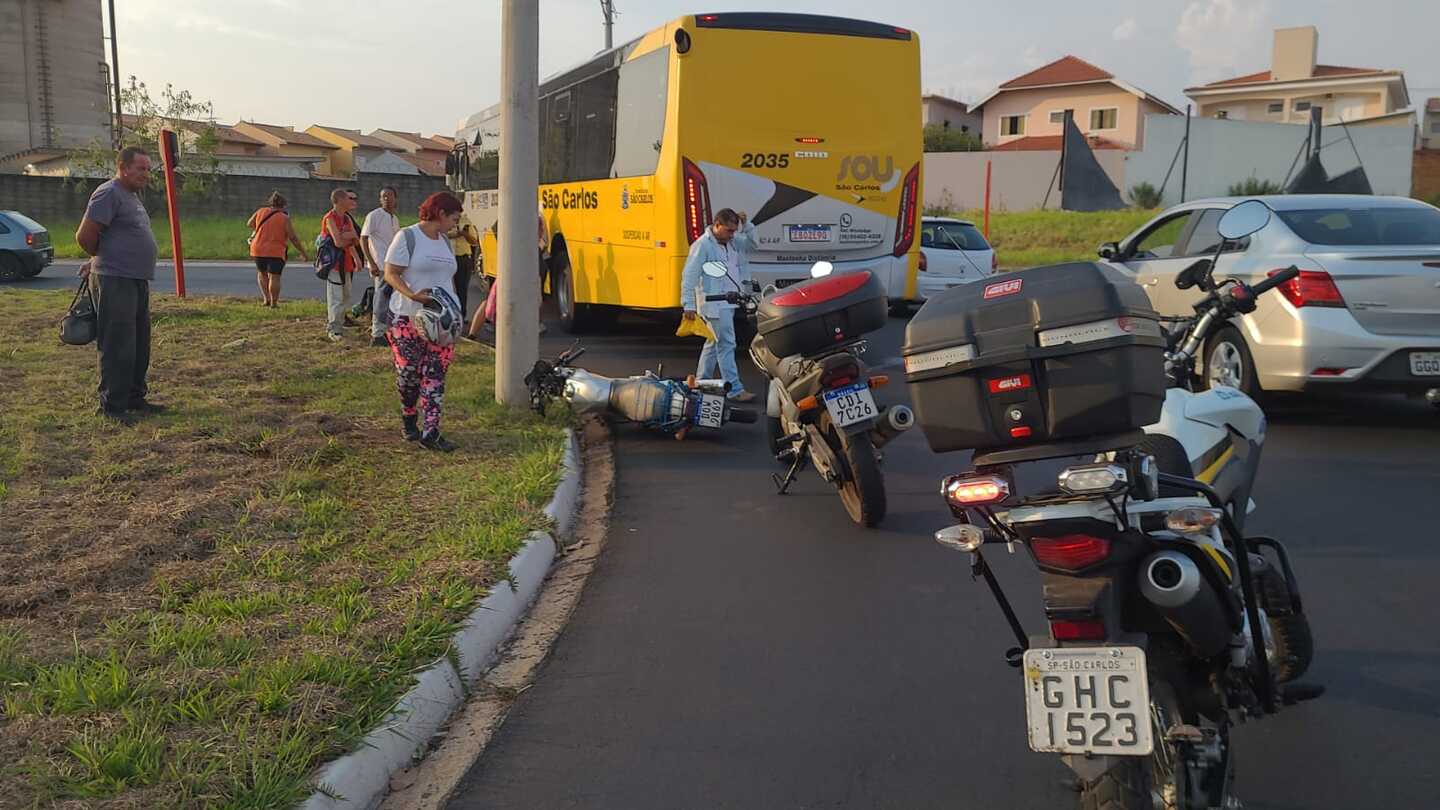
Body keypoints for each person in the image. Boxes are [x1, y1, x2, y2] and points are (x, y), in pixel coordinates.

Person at [75, 146, 163, 422]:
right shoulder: (108, 192)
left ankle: (135, 399)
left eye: (148, 169)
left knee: (138, 343)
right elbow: (85, 235)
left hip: (136, 279)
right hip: (115, 279)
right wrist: (99, 261)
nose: (146, 174)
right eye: (140, 168)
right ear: (123, 167)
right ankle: (112, 406)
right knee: (117, 344)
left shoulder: (131, 196)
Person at [384, 191, 464, 452]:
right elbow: (391, 273)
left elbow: (448, 280)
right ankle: (409, 416)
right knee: (409, 375)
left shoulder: (445, 242)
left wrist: (455, 310)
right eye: (454, 217)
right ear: (440, 214)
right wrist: (413, 295)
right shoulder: (408, 237)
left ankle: (431, 431)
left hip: (442, 323)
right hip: (407, 319)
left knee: (435, 375)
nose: (456, 224)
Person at [679, 208, 758, 402]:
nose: (732, 235)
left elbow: (753, 244)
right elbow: (689, 275)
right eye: (729, 230)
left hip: (728, 302)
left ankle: (700, 383)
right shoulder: (703, 245)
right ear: (717, 225)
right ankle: (734, 389)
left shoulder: (732, 242)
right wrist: (688, 304)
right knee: (726, 344)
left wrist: (747, 226)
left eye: (734, 230)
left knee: (714, 343)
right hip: (713, 303)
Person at [462, 206, 549, 342]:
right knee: (519, 298)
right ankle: (524, 331)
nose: (540, 232)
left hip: (510, 262)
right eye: (539, 230)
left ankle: (474, 334)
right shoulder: (530, 222)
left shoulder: (509, 219)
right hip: (523, 261)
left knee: (493, 298)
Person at [247, 191, 310, 307]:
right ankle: (274, 303)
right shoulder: (284, 218)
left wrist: (262, 229)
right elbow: (293, 237)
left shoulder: (261, 211)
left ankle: (266, 300)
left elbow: (249, 224)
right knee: (275, 276)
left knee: (262, 273)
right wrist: (303, 253)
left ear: (270, 203)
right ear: (284, 205)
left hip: (257, 248)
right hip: (275, 251)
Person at [321, 188, 363, 342]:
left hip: (346, 261)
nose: (351, 201)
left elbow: (356, 239)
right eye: (348, 198)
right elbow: (338, 242)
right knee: (336, 296)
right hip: (334, 263)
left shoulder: (346, 218)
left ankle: (340, 322)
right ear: (339, 201)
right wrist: (347, 237)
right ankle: (334, 328)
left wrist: (357, 258)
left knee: (346, 295)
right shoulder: (330, 218)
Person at [361, 186, 401, 346]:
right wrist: (370, 262)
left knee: (390, 300)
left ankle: (386, 332)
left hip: (392, 265)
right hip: (380, 264)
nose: (386, 199)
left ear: (395, 198)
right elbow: (363, 239)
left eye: (389, 196)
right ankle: (377, 334)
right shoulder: (374, 216)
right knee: (380, 298)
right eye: (383, 196)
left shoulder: (394, 219)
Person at [447, 209, 480, 319]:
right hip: (446, 258)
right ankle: (448, 316)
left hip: (462, 259)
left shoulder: (466, 221)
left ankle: (461, 316)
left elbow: (474, 241)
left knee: (462, 289)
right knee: (446, 289)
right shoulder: (444, 221)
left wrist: (463, 233)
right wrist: (452, 234)